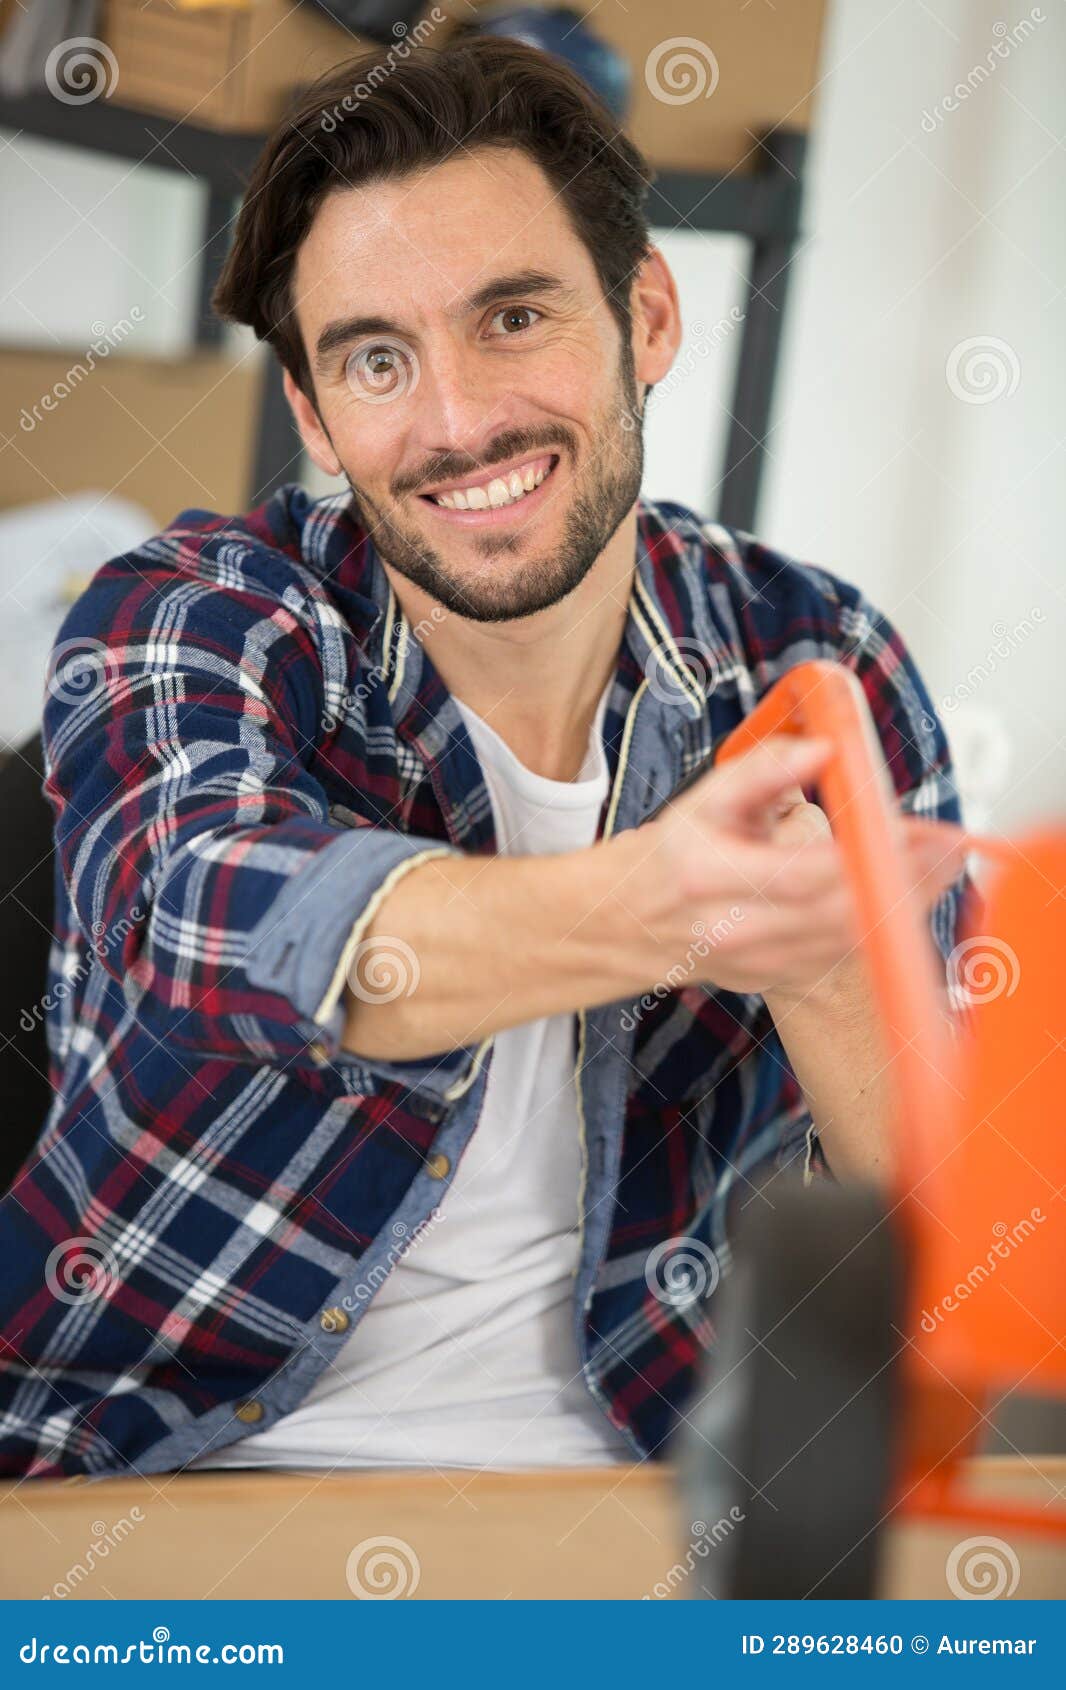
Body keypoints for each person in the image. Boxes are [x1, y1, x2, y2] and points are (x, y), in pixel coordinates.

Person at [0, 38, 975, 1479]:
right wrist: (666, 905)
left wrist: (836, 974)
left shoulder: (812, 657)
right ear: (317, 418)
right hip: (169, 1481)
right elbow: (208, 927)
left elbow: (945, 1262)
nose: (456, 422)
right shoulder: (191, 616)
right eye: (377, 358)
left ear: (645, 314)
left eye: (512, 316)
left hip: (651, 1497)